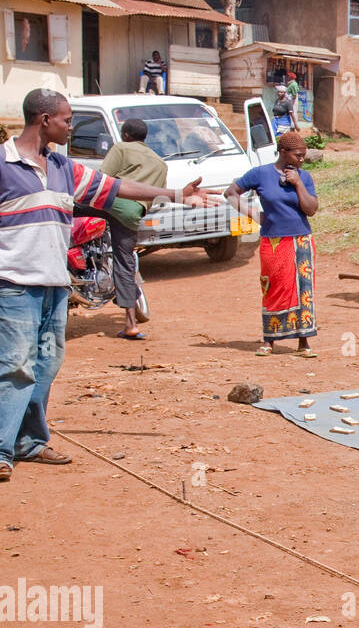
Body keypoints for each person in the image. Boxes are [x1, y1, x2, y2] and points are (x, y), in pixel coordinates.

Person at [0, 88, 215, 483]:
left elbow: (117, 188)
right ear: (44, 120)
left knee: (45, 366)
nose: (71, 126)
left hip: (54, 287)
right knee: (14, 367)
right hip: (13, 285)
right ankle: (2, 450)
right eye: (66, 119)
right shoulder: (2, 163)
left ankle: (28, 442)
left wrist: (176, 195)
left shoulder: (64, 167)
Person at [224, 132, 319, 357]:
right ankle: (270, 340)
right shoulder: (261, 174)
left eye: (304, 156)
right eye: (298, 155)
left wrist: (297, 184)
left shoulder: (304, 177)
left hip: (301, 240)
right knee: (273, 288)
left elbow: (311, 209)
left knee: (303, 291)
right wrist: (254, 215)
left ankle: (303, 340)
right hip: (274, 241)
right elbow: (230, 193)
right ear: (283, 152)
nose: (301, 160)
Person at [98, 118, 168, 340]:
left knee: (64, 208)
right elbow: (155, 196)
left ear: (125, 134)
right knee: (124, 262)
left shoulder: (122, 147)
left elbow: (101, 179)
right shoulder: (160, 163)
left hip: (110, 203)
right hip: (133, 213)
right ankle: (130, 325)